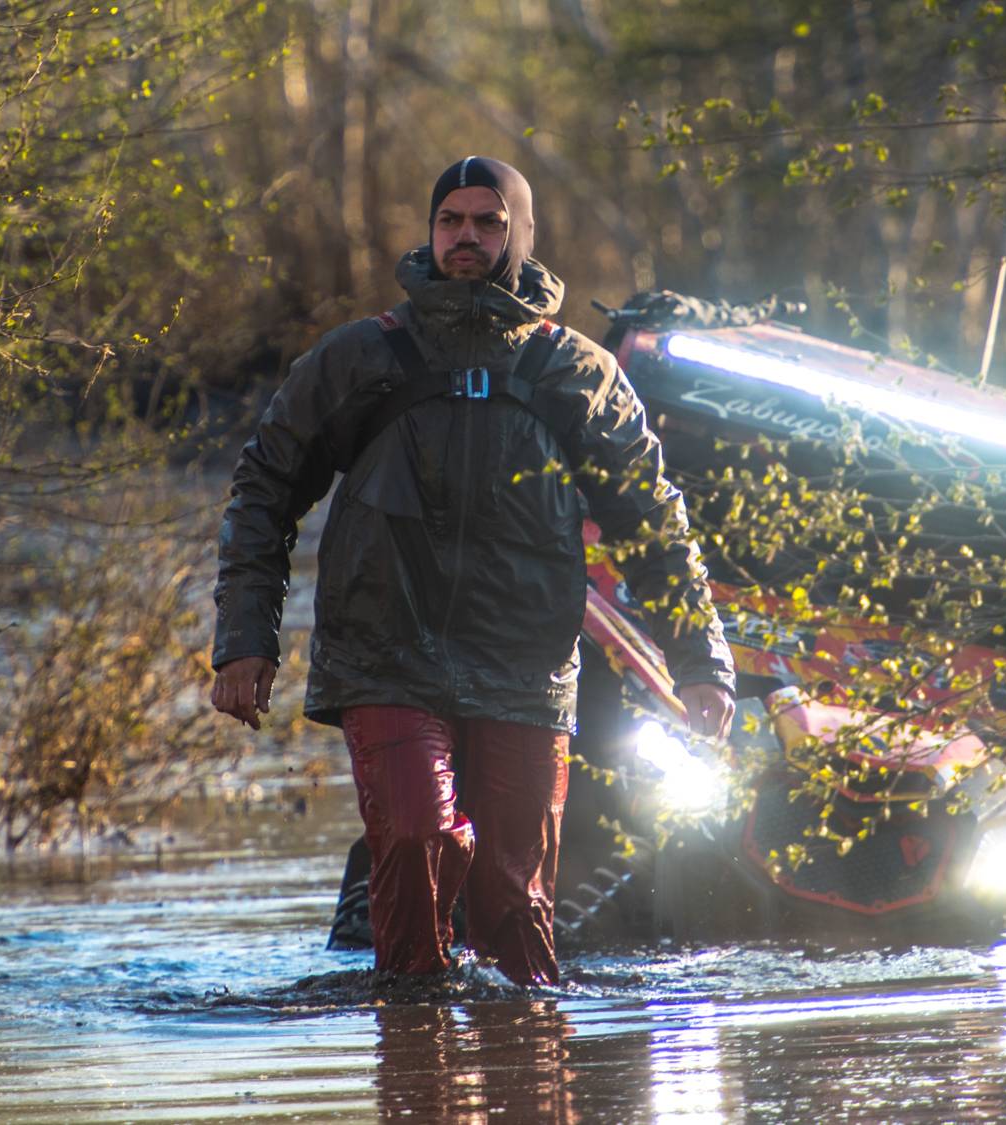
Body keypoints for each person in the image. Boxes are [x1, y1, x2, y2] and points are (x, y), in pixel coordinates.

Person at [209, 156, 737, 986]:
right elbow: (264, 488)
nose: (465, 236)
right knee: (419, 835)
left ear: (519, 235)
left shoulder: (579, 373)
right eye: (450, 220)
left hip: (525, 664)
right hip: (385, 653)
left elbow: (656, 524)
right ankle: (416, 1056)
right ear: (430, 231)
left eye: (487, 222)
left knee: (515, 904)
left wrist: (701, 664)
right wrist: (246, 639)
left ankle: (523, 1068)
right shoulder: (359, 357)